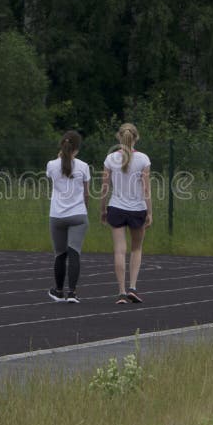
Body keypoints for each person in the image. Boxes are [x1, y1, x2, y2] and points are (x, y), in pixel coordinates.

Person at [100, 123, 152, 304]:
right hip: (137, 208)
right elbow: (146, 189)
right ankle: (133, 287)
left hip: (116, 207)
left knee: (119, 251)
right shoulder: (143, 159)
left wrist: (103, 209)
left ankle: (121, 292)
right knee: (136, 248)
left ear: (118, 137)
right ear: (136, 137)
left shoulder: (110, 158)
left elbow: (105, 187)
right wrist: (150, 212)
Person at [46, 130, 90, 303]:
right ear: (77, 149)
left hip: (57, 215)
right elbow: (86, 194)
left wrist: (59, 157)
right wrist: (83, 209)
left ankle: (58, 291)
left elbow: (54, 174)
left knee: (60, 254)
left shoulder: (51, 165)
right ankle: (72, 292)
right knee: (74, 253)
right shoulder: (84, 166)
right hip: (78, 214)